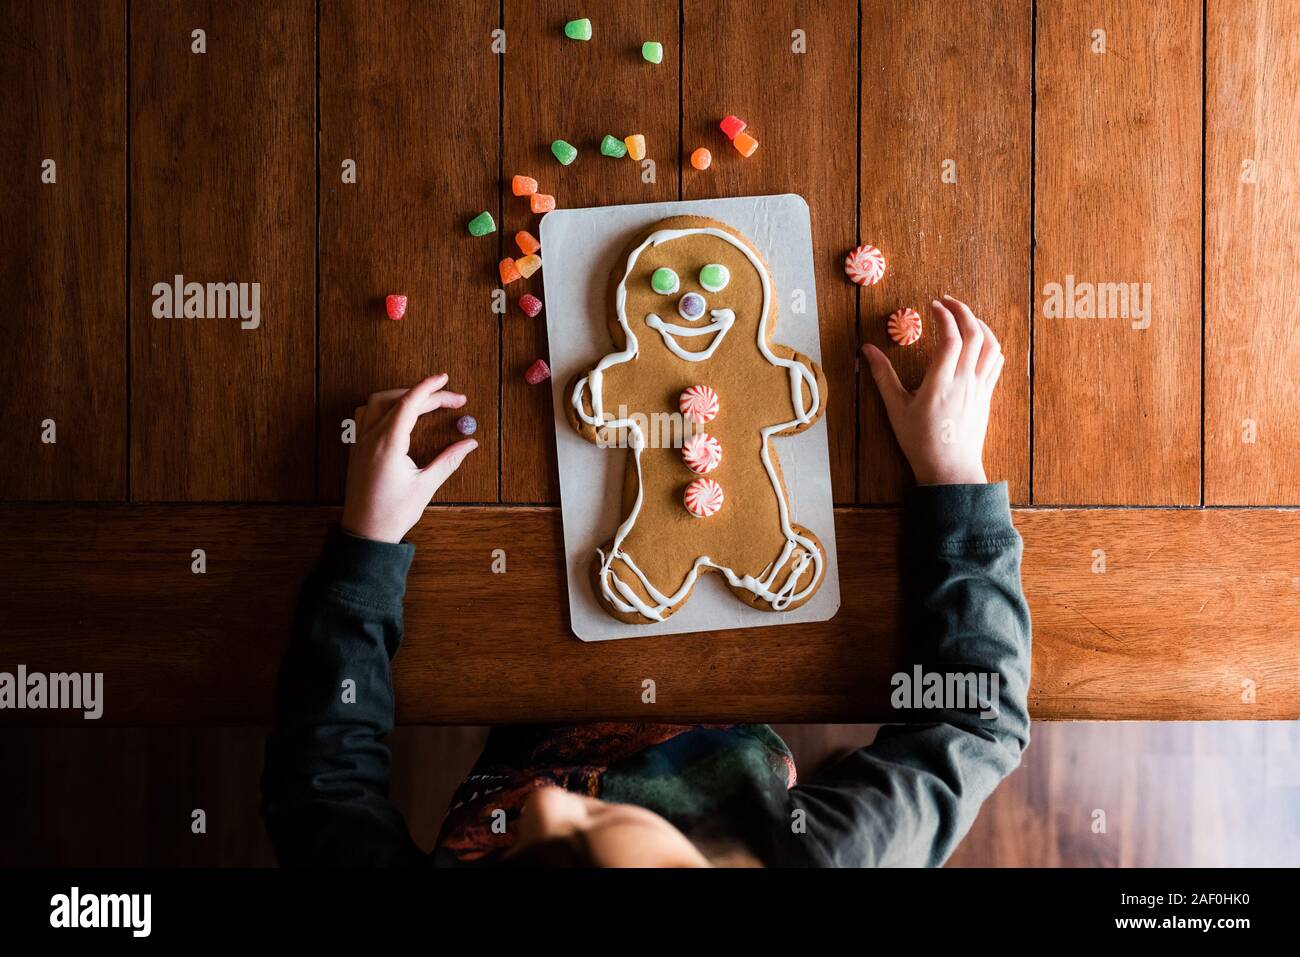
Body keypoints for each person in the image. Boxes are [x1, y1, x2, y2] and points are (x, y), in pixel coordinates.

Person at [262, 295, 1029, 867]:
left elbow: (320, 789)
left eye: (525, 848)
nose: (553, 802)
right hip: (724, 686)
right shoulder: (815, 857)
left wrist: (366, 545)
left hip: (525, 685)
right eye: (596, 827)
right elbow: (973, 722)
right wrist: (953, 477)